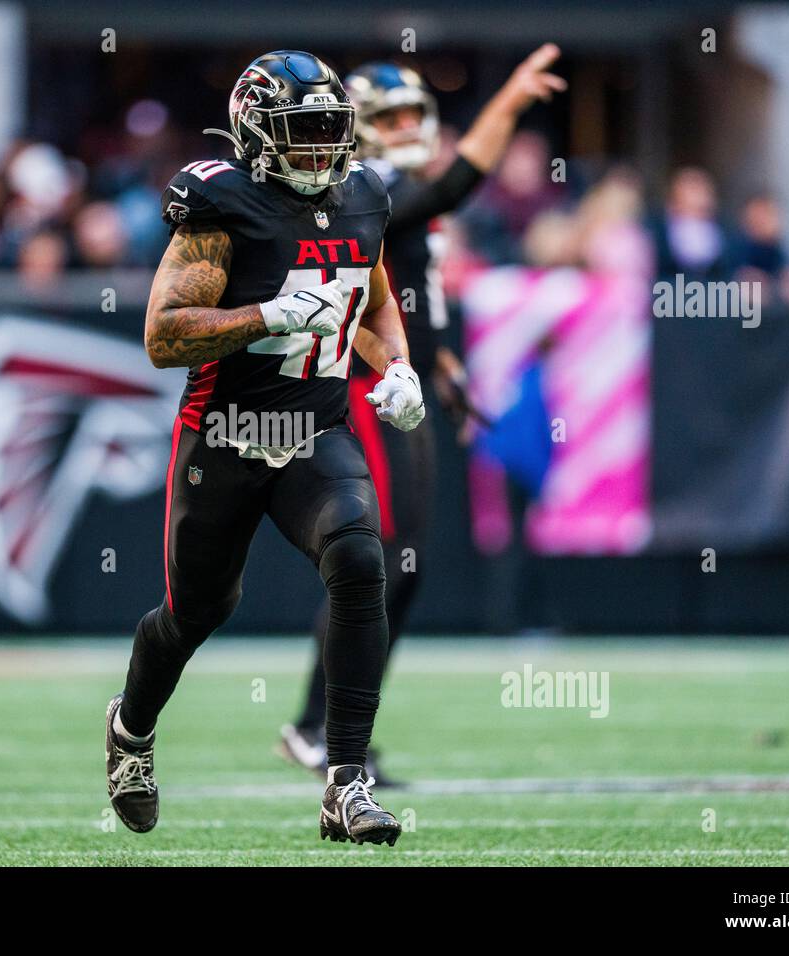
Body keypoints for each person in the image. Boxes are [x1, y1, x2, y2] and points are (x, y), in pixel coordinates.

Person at [104, 50, 425, 846]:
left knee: (360, 560)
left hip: (317, 433)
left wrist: (400, 368)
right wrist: (269, 314)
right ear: (255, 133)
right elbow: (164, 336)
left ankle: (345, 781)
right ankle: (131, 729)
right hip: (225, 437)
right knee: (195, 613)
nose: (319, 151)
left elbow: (376, 301)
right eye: (301, 133)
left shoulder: (363, 195)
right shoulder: (221, 203)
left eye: (328, 132)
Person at [277, 46, 567, 783]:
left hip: (402, 382)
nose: (407, 125)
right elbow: (458, 182)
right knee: (377, 563)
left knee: (402, 568)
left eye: (414, 113)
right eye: (391, 115)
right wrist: (507, 102)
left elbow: (406, 287)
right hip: (368, 389)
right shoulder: (363, 188)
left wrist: (438, 360)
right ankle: (318, 726)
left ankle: (331, 727)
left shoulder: (391, 190)